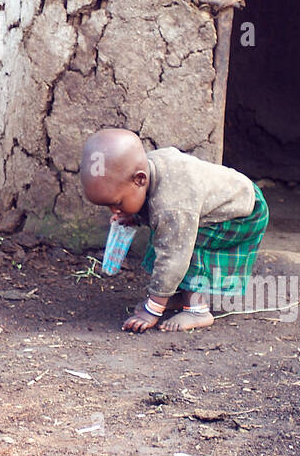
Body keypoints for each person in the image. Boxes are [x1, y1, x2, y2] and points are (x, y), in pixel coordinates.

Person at [79, 128, 269, 332]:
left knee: (182, 247)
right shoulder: (145, 168)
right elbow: (147, 200)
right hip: (210, 204)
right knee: (171, 236)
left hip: (242, 213)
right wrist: (135, 216)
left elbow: (174, 258)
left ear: (140, 180)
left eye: (117, 203)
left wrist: (153, 309)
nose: (114, 211)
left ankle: (197, 310)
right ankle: (178, 296)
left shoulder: (172, 206)